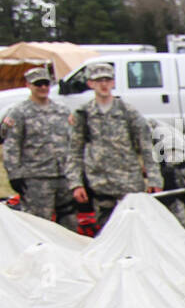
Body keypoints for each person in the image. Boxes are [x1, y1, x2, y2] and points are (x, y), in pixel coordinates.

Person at [66, 62, 161, 231]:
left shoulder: (128, 111)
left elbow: (146, 146)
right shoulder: (83, 113)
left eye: (107, 80)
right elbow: (74, 150)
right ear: (90, 84)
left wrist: (154, 177)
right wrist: (76, 183)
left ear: (113, 82)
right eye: (98, 80)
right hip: (100, 183)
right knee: (108, 230)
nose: (103, 84)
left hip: (129, 182)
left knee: (136, 227)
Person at [0, 66, 78, 231]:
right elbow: (11, 147)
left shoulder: (62, 111)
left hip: (64, 177)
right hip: (36, 179)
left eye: (46, 84)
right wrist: (15, 176)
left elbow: (73, 142)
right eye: (38, 84)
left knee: (69, 226)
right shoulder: (19, 113)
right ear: (29, 85)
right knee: (38, 226)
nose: (43, 88)